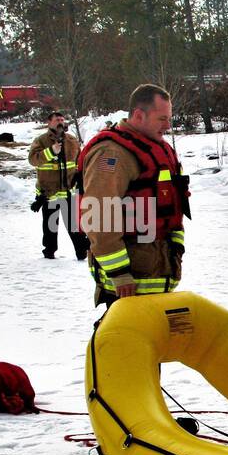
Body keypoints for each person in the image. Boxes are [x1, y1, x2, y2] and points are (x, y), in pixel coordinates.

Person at [77, 84, 189, 306]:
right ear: (139, 115)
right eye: (162, 119)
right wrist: (118, 273)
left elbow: (173, 206)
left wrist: (177, 248)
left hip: (157, 273)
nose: (168, 125)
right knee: (122, 339)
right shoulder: (111, 154)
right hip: (127, 285)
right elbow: (99, 215)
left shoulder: (159, 149)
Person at [28, 111, 88, 260]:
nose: (60, 121)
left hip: (69, 191)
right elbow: (33, 160)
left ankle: (82, 252)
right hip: (49, 192)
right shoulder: (41, 141)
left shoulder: (72, 140)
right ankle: (49, 253)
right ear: (49, 122)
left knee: (75, 225)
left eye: (62, 119)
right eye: (57, 119)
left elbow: (80, 162)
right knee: (50, 226)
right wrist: (50, 152)